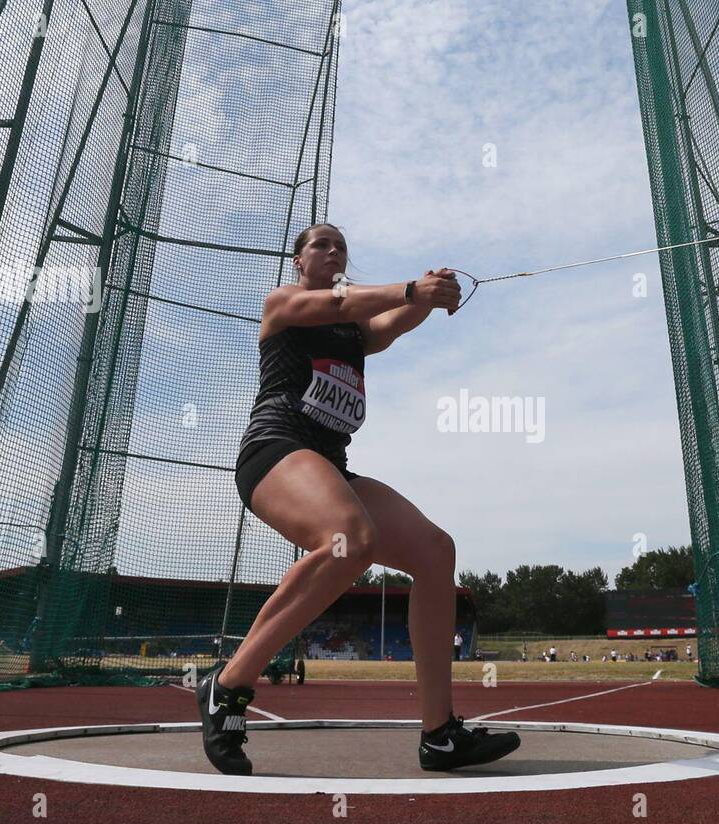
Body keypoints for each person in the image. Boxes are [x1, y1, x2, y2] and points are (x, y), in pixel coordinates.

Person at [198, 224, 520, 775]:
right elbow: (358, 300)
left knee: (436, 552)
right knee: (350, 541)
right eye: (320, 244)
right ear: (298, 260)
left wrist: (435, 292)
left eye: (340, 245)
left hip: (330, 465)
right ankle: (227, 686)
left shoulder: (354, 330)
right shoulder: (283, 303)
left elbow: (391, 321)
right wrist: (413, 291)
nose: (333, 251)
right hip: (275, 451)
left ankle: (439, 734)